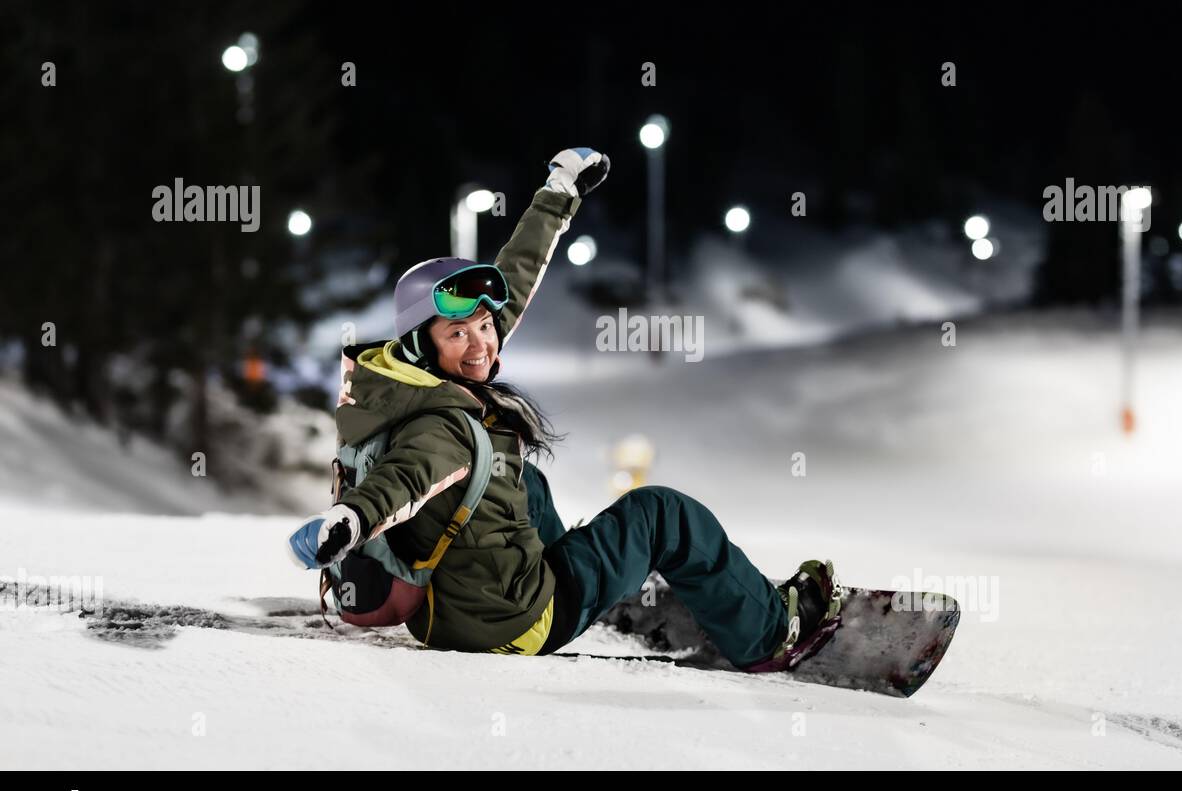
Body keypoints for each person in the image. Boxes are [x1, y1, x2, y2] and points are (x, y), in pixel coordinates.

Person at [286, 148, 842, 672]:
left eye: (485, 326)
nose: (482, 345)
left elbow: (517, 276)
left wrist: (557, 193)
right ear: (422, 343)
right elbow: (405, 478)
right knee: (663, 513)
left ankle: (588, 570)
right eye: (460, 332)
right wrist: (353, 520)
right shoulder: (441, 424)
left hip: (448, 616)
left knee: (524, 481)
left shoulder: (398, 380)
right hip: (513, 620)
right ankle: (772, 634)